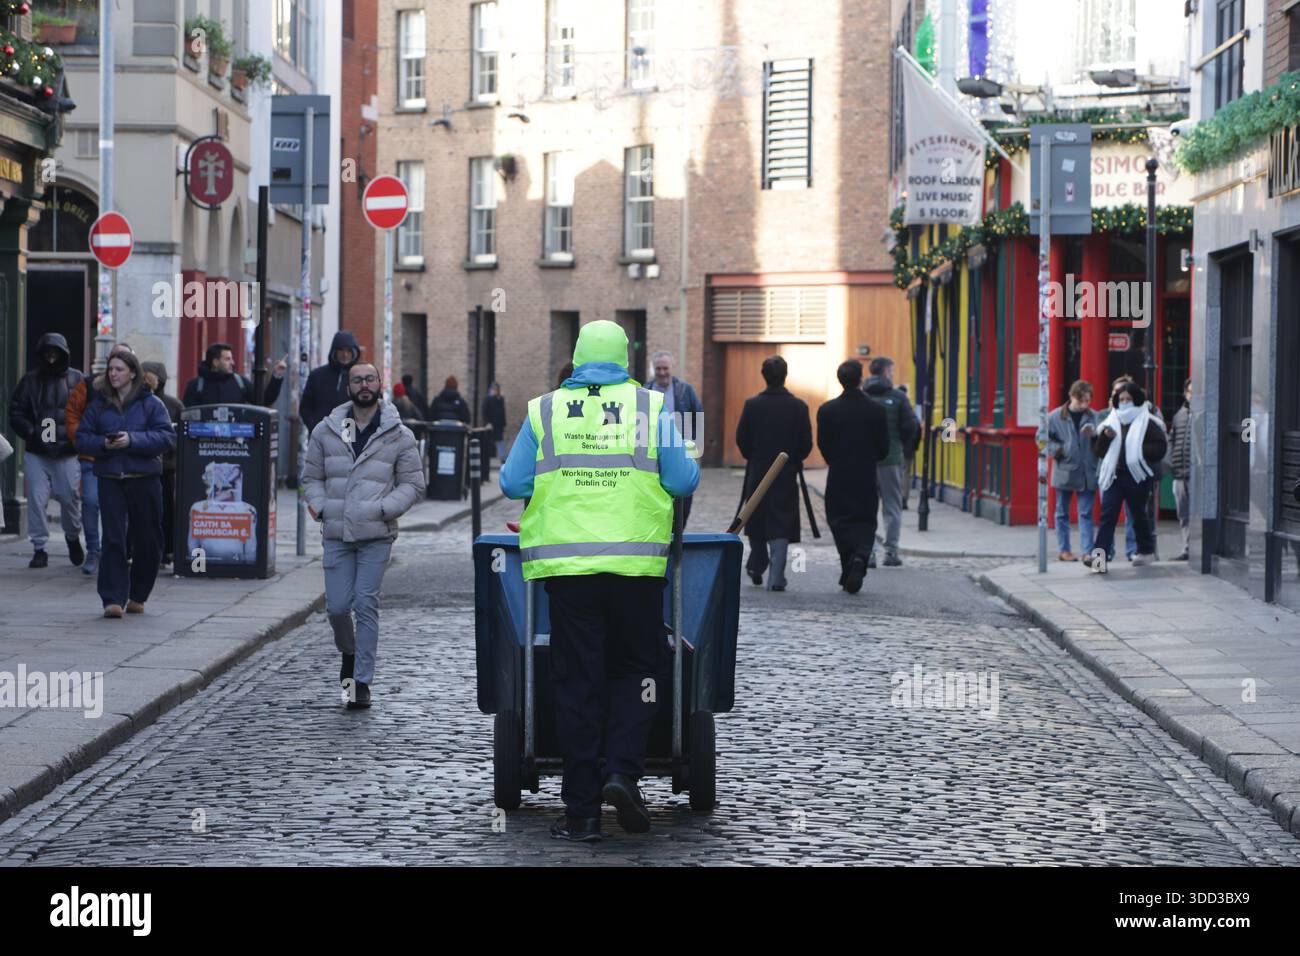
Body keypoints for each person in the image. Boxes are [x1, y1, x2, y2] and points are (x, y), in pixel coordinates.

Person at [500, 320, 699, 842]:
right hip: (636, 570)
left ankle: (583, 812)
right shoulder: (650, 408)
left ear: (578, 355)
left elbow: (512, 481)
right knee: (638, 671)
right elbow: (681, 480)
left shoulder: (544, 410)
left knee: (577, 682)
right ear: (625, 361)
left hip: (570, 574)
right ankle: (623, 773)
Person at [303, 363, 425, 710]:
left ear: (380, 384)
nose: (364, 385)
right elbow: (310, 478)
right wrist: (322, 507)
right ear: (348, 387)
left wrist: (386, 508)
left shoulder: (398, 434)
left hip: (377, 533)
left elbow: (413, 484)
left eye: (370, 379)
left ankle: (361, 682)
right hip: (337, 532)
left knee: (365, 603)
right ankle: (349, 652)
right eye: (357, 380)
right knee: (337, 607)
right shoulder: (326, 432)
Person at [75, 350, 174, 617]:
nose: (113, 374)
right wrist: (103, 444)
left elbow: (166, 437)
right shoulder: (99, 404)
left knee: (147, 539)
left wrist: (133, 440)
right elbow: (81, 438)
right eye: (111, 369)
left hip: (144, 479)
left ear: (132, 373)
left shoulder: (151, 404)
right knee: (114, 539)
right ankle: (112, 599)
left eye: (119, 369)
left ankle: (139, 594)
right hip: (110, 479)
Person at [8, 332, 85, 570]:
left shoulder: (77, 380)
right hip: (37, 451)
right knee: (37, 499)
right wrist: (32, 433)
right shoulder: (30, 380)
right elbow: (16, 411)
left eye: (55, 352)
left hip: (67, 451)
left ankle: (72, 536)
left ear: (64, 354)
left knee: (69, 496)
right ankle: (39, 547)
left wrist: (76, 436)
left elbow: (88, 411)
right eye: (47, 352)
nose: (51, 357)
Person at [736, 356, 812, 591]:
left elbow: (742, 440)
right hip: (785, 473)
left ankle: (756, 565)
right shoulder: (799, 407)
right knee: (781, 520)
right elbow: (806, 442)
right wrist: (793, 460)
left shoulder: (752, 405)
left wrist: (755, 456)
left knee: (757, 516)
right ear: (785, 375)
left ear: (764, 376)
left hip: (758, 470)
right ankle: (776, 575)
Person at [817, 360, 891, 594]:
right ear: (860, 379)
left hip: (839, 473)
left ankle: (849, 560)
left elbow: (823, 444)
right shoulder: (877, 410)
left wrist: (834, 459)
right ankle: (860, 555)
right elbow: (884, 448)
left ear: (840, 380)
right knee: (866, 519)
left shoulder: (827, 410)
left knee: (838, 519)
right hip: (866, 473)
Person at [66, 341, 134, 576]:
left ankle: (114, 551)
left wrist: (133, 440)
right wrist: (84, 440)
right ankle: (93, 550)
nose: (115, 371)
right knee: (92, 501)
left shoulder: (138, 393)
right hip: (93, 456)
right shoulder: (90, 386)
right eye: (113, 362)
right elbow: (73, 414)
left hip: (125, 459)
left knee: (121, 507)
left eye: (123, 362)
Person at [1084, 382, 1168, 572]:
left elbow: (1160, 447)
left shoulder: (1148, 421)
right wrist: (1104, 437)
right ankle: (1099, 560)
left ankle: (1146, 550)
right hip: (1115, 475)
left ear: (1136, 400)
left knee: (1138, 515)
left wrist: (1138, 451)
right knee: (1107, 516)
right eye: (1121, 400)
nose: (1124, 403)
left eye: (1128, 399)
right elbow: (1099, 452)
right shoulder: (1110, 421)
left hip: (1137, 475)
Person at [862, 356, 918, 568]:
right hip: (891, 459)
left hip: (865, 460)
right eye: (892, 371)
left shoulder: (862, 397)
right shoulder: (898, 397)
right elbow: (910, 426)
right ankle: (891, 552)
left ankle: (869, 552)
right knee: (892, 506)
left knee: (867, 506)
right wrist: (900, 445)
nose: (893, 374)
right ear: (886, 372)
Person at [1047, 380, 1101, 561]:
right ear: (1071, 397)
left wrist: (1094, 436)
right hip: (1065, 470)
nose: (1085, 405)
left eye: (1088, 401)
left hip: (1087, 472)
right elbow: (1042, 441)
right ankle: (1064, 550)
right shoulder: (1055, 417)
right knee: (1062, 511)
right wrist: (1060, 450)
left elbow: (1103, 445)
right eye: (1081, 401)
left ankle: (1087, 552)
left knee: (1086, 512)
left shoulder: (1094, 416)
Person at [649, 351, 704, 526]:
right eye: (658, 369)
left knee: (683, 501)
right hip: (654, 453)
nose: (662, 372)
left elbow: (698, 416)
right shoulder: (645, 391)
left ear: (672, 368)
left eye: (665, 368)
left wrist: (696, 448)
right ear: (653, 370)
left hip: (682, 450)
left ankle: (678, 532)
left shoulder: (685, 390)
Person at [143, 362, 183, 566]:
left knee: (167, 511)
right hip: (145, 467)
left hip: (167, 468)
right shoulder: (135, 403)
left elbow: (178, 436)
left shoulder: (173, 405)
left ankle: (167, 549)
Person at [181, 342, 285, 408]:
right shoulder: (195, 386)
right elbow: (186, 416)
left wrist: (277, 376)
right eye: (227, 359)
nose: (233, 363)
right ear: (215, 362)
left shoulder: (240, 383)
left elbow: (264, 400)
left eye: (232, 358)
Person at [300, 331, 363, 436]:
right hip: (322, 435)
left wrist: (355, 433)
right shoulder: (317, 376)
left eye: (348, 350)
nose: (345, 354)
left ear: (354, 352)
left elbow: (370, 406)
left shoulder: (361, 377)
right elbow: (305, 408)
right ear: (334, 351)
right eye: (341, 350)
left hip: (349, 436)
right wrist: (315, 428)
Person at [1169, 379, 1193, 561]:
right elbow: (1172, 439)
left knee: (1196, 513)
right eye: (1190, 391)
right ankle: (1187, 547)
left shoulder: (1204, 414)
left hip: (1196, 474)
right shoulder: (1179, 415)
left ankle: (1196, 547)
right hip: (1179, 472)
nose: (1192, 395)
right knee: (1182, 513)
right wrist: (1171, 462)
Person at [482, 382, 507, 459]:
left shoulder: (500, 399)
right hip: (490, 424)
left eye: (496, 390)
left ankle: (502, 457)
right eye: (493, 389)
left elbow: (502, 412)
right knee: (489, 441)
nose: (495, 391)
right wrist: (487, 422)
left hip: (498, 424)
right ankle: (486, 456)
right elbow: (484, 411)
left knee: (500, 440)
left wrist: (503, 423)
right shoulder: (487, 399)